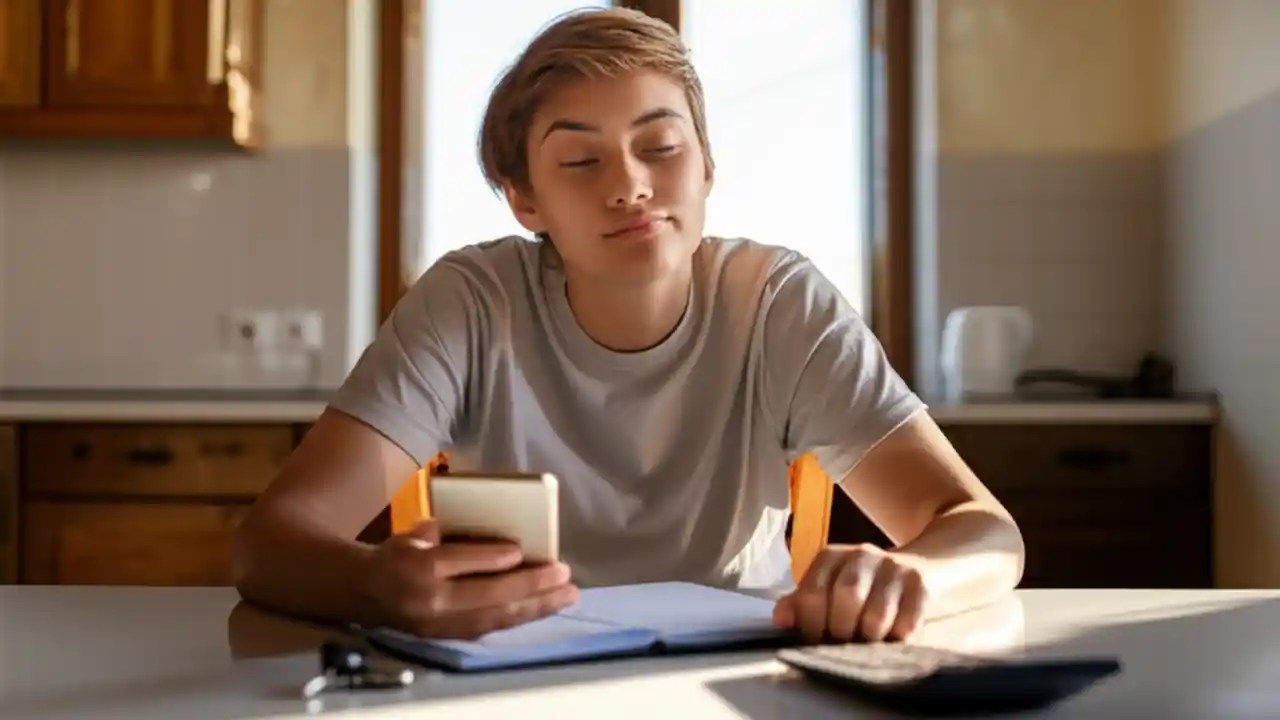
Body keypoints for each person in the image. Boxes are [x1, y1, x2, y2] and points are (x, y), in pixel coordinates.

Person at [232, 7, 1024, 644]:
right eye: (581, 162)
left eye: (662, 146)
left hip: (742, 681)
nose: (631, 186)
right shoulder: (471, 301)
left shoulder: (779, 302)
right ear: (524, 201)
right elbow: (272, 540)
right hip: (514, 684)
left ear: (707, 165)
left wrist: (916, 577)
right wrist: (375, 584)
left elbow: (983, 532)